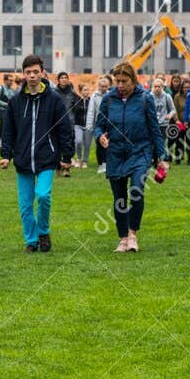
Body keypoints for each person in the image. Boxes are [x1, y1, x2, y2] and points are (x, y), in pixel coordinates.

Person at [0, 54, 75, 253]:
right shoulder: (15, 101)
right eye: (28, 72)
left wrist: (67, 156)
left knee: (42, 196)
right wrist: (6, 154)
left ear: (42, 73)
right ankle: (31, 242)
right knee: (25, 206)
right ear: (23, 74)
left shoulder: (54, 99)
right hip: (22, 159)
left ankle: (43, 232)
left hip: (47, 158)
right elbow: (8, 130)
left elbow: (65, 128)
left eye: (35, 72)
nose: (32, 76)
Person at [97, 62, 167, 253]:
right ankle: (122, 238)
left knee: (136, 190)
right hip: (116, 153)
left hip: (140, 152)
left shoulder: (145, 99)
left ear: (133, 80)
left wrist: (162, 156)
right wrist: (100, 136)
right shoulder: (108, 100)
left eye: (124, 81)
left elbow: (154, 129)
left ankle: (133, 234)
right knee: (119, 197)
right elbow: (98, 125)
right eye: (117, 81)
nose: (120, 85)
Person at [86, 74, 110, 172]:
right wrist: (89, 125)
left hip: (109, 124)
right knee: (99, 143)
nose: (103, 88)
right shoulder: (94, 96)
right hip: (98, 123)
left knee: (108, 144)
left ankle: (107, 163)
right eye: (101, 86)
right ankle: (101, 164)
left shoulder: (110, 95)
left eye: (105, 86)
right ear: (98, 86)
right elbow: (91, 111)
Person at [0, 74, 19, 150]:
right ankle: (4, 146)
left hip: (8, 112)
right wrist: (5, 104)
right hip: (1, 111)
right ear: (5, 80)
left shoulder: (11, 90)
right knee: (5, 128)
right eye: (10, 80)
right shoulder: (0, 88)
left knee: (2, 128)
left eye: (12, 80)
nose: (11, 82)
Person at [70, 83, 90, 168]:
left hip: (88, 125)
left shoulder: (90, 100)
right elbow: (74, 110)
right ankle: (79, 159)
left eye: (88, 90)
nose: (87, 92)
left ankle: (85, 161)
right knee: (78, 141)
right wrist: (80, 100)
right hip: (78, 124)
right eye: (85, 90)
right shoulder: (76, 100)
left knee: (87, 144)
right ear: (80, 91)